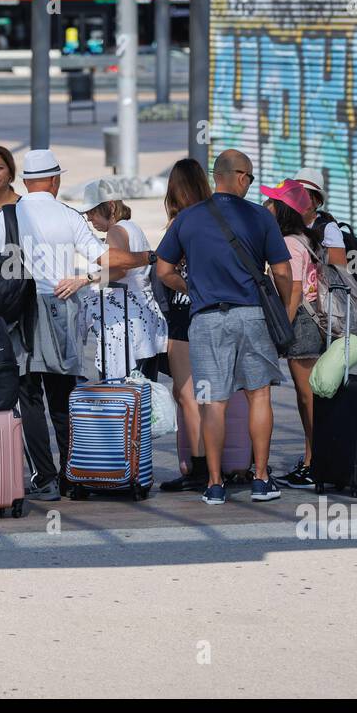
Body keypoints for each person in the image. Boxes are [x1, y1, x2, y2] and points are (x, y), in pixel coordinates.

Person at [0, 148, 153, 502]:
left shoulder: (8, 215)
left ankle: (45, 479)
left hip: (21, 313)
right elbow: (106, 259)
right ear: (55, 180)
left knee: (27, 396)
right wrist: (149, 256)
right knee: (63, 397)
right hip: (62, 310)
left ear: (24, 181)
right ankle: (73, 475)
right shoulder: (69, 215)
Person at [155, 149, 294, 506]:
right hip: (251, 316)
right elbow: (281, 272)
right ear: (240, 177)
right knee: (259, 396)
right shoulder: (261, 217)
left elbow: (163, 270)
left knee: (212, 403)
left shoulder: (188, 220)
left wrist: (192, 288)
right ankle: (261, 479)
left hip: (206, 321)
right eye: (249, 176)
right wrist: (283, 312)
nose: (249, 182)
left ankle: (214, 485)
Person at [62, 180, 168, 382]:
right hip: (144, 322)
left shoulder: (116, 231)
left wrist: (86, 279)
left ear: (110, 206)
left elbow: (118, 270)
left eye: (92, 211)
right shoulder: (132, 227)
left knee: (122, 396)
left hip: (126, 327)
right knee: (144, 393)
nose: (89, 218)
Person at [157, 159, 214, 492]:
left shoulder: (180, 223)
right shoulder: (212, 220)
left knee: (186, 394)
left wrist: (188, 289)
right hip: (211, 315)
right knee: (208, 395)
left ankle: (199, 466)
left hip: (183, 316)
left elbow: (164, 270)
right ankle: (214, 464)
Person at [265, 180, 326, 489]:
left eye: (272, 201)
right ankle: (312, 459)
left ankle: (315, 463)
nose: (266, 206)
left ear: (284, 209)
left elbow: (294, 292)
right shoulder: (305, 237)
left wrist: (282, 331)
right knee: (309, 396)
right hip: (311, 320)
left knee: (307, 397)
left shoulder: (289, 242)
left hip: (300, 321)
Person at [291, 167, 346, 267]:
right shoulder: (286, 224)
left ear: (317, 201)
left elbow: (339, 275)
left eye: (305, 196)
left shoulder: (329, 231)